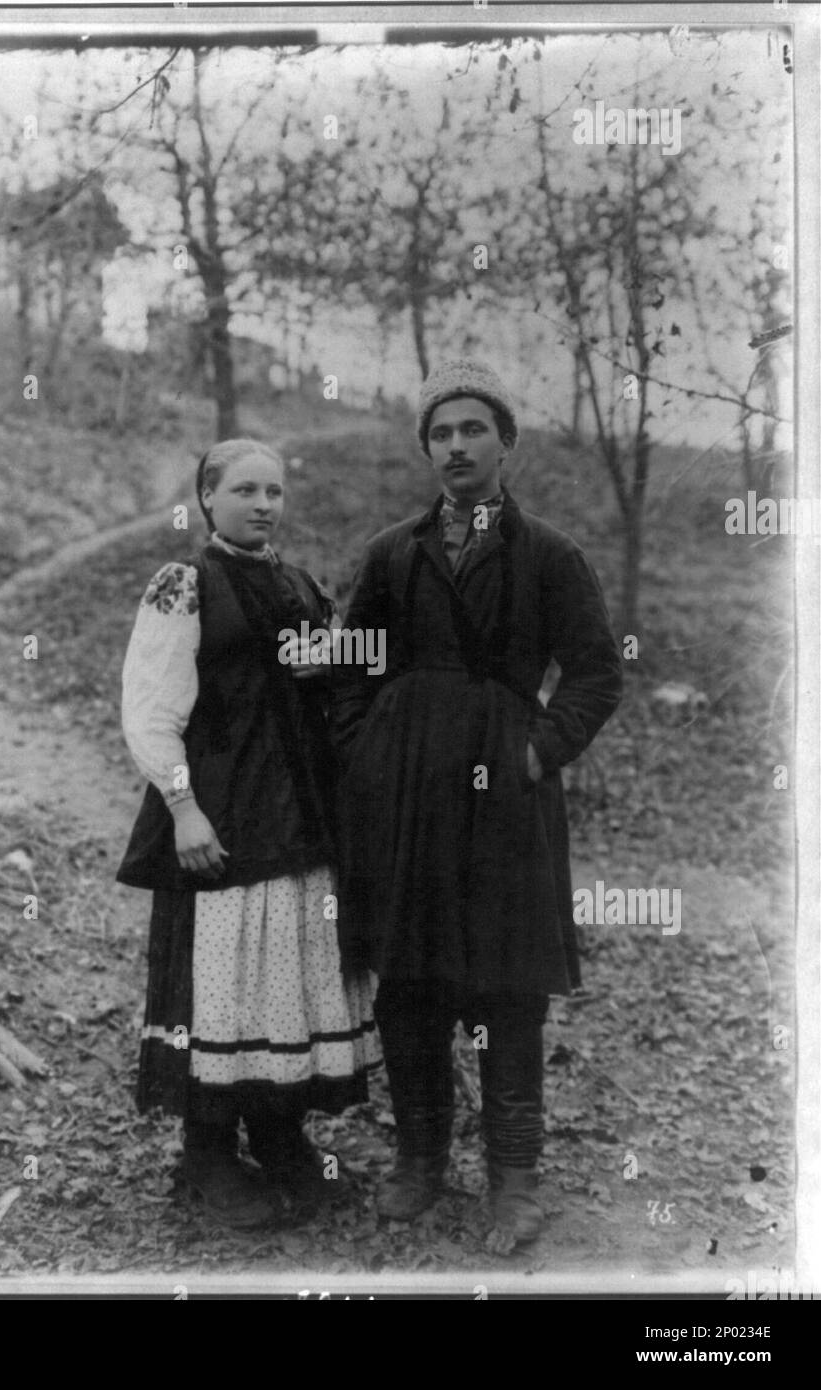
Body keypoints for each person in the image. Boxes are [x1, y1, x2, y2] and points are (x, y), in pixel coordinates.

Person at [332, 358, 623, 1250]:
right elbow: (352, 664)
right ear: (427, 451)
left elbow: (597, 674)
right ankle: (421, 1160)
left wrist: (537, 750)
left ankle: (515, 1182)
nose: (456, 447)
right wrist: (367, 753)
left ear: (506, 443)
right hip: (408, 795)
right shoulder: (393, 552)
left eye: (473, 430)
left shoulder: (549, 556)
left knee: (507, 988)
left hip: (505, 798)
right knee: (408, 982)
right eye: (441, 434)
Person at [117, 438, 379, 1230]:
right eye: (244, 491)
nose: (263, 504)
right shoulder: (183, 585)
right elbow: (151, 709)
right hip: (222, 817)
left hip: (300, 816)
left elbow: (339, 685)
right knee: (221, 986)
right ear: (207, 499)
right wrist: (184, 806)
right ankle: (206, 1156)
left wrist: (334, 667)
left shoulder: (300, 585)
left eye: (273, 491)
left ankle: (279, 1135)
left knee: (284, 987)